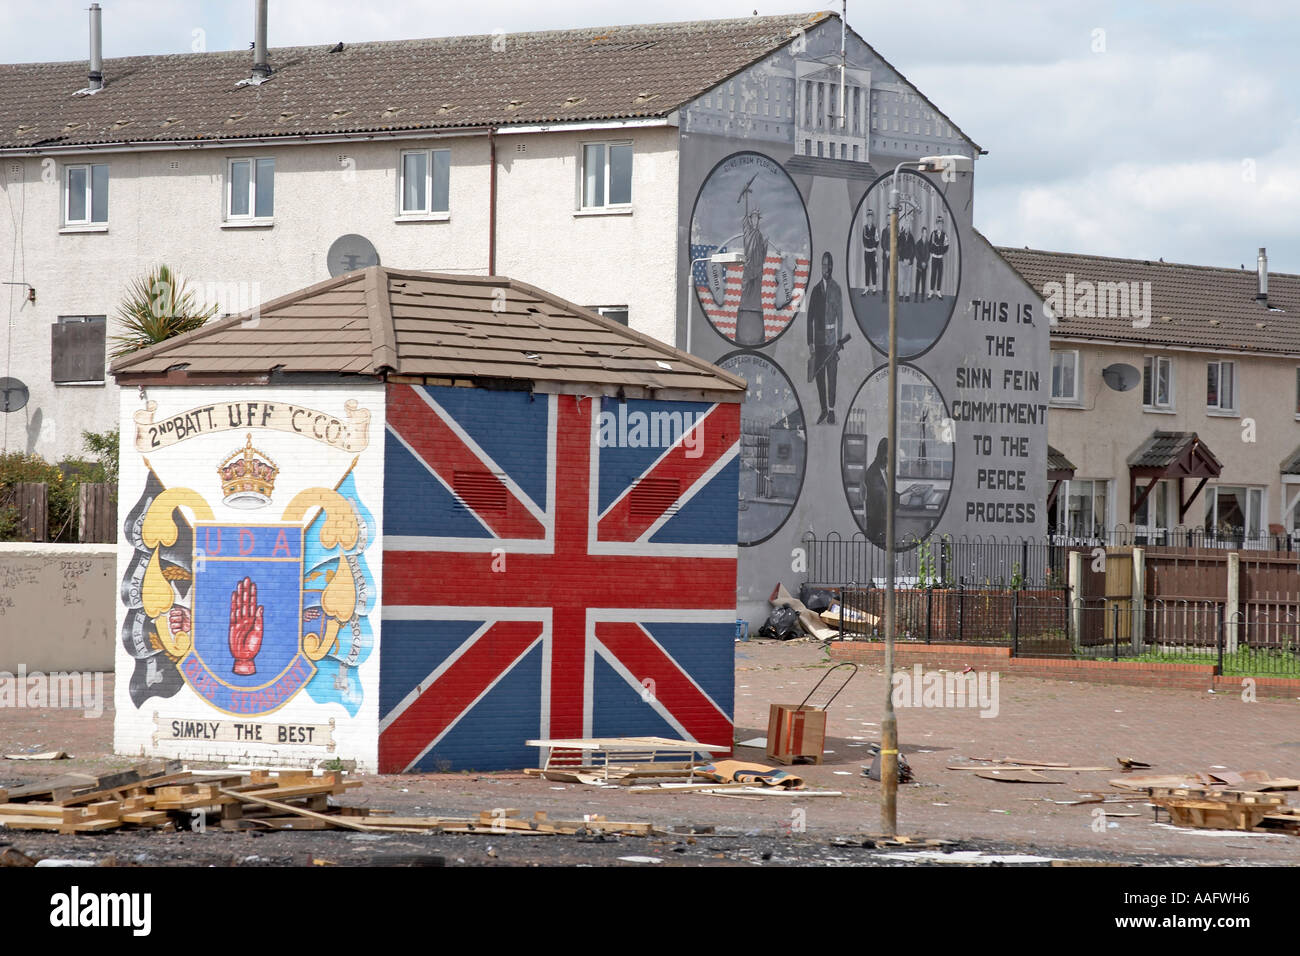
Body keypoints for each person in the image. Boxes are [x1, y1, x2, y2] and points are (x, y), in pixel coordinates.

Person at [806, 251, 842, 425]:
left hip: (832, 341)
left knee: (832, 376)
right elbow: (809, 317)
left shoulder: (836, 289)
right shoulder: (814, 291)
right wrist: (810, 342)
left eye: (828, 264)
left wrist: (840, 340)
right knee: (819, 376)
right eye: (823, 264)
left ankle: (832, 410)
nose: (825, 268)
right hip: (819, 342)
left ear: (832, 266)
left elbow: (840, 316)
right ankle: (823, 410)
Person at [861, 437, 893, 548]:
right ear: (883, 454)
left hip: (883, 521)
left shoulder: (883, 471)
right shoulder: (873, 473)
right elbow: (882, 498)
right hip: (877, 523)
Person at [929, 216, 949, 300]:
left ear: (942, 225)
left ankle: (938, 291)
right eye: (938, 223)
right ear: (936, 224)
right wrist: (934, 249)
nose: (939, 225)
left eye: (941, 224)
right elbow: (930, 245)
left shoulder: (944, 235)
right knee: (933, 274)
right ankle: (931, 291)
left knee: (939, 274)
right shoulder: (933, 233)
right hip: (934, 257)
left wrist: (941, 251)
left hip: (940, 258)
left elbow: (946, 246)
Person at [898, 217, 915, 303]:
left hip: (909, 262)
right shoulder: (900, 236)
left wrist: (909, 260)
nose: (907, 227)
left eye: (908, 225)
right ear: (903, 226)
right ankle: (901, 295)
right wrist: (903, 259)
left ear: (909, 227)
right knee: (901, 279)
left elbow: (913, 251)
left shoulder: (912, 237)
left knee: (908, 279)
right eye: (906, 225)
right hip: (901, 261)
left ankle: (907, 295)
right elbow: (898, 249)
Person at [861, 209, 879, 293]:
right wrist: (868, 245)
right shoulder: (864, 228)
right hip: (867, 252)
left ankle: (874, 287)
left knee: (873, 269)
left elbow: (877, 239)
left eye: (871, 217)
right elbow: (864, 239)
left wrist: (875, 246)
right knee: (867, 269)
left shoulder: (875, 229)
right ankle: (866, 287)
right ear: (867, 218)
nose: (870, 219)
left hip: (873, 252)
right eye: (868, 217)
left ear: (872, 218)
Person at [914, 225, 929, 300]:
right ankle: (916, 296)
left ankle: (922, 296)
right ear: (922, 233)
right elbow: (917, 255)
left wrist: (925, 262)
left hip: (925, 265)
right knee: (917, 281)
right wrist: (921, 263)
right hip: (919, 265)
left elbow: (928, 254)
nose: (925, 234)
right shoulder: (918, 243)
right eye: (924, 232)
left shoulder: (928, 243)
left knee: (923, 281)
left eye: (926, 232)